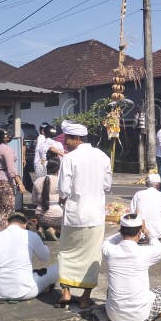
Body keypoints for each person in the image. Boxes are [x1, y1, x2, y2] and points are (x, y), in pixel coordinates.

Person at [56, 121, 112, 309]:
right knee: (91, 256)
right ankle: (85, 297)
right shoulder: (103, 156)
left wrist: (64, 198)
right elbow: (107, 186)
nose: (65, 143)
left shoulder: (69, 159)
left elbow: (63, 190)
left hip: (74, 214)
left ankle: (66, 291)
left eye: (67, 140)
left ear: (77, 139)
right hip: (95, 215)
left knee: (67, 252)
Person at [102, 213, 161, 321]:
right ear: (140, 233)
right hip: (140, 316)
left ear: (121, 231)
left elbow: (108, 241)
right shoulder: (144, 252)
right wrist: (146, 231)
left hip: (113, 316)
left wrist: (124, 231)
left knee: (112, 288)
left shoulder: (109, 251)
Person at [0, 212, 58, 302]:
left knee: (33, 273)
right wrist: (37, 235)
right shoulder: (31, 235)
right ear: (25, 225)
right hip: (27, 292)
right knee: (58, 268)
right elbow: (45, 257)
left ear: (7, 223)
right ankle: (45, 287)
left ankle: (43, 286)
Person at [0, 128, 25, 235]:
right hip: (2, 181)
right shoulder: (5, 149)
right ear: (1, 137)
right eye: (6, 135)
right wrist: (19, 183)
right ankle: (1, 234)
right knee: (6, 209)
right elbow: (11, 169)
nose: (8, 136)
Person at [129, 172, 161, 240]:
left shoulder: (138, 194)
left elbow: (132, 211)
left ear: (146, 184)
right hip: (156, 233)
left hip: (138, 232)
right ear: (158, 185)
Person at [33, 159, 62, 241]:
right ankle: (54, 229)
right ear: (58, 169)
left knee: (44, 221)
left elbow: (34, 201)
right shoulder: (60, 181)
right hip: (57, 216)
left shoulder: (37, 181)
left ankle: (41, 228)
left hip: (40, 216)